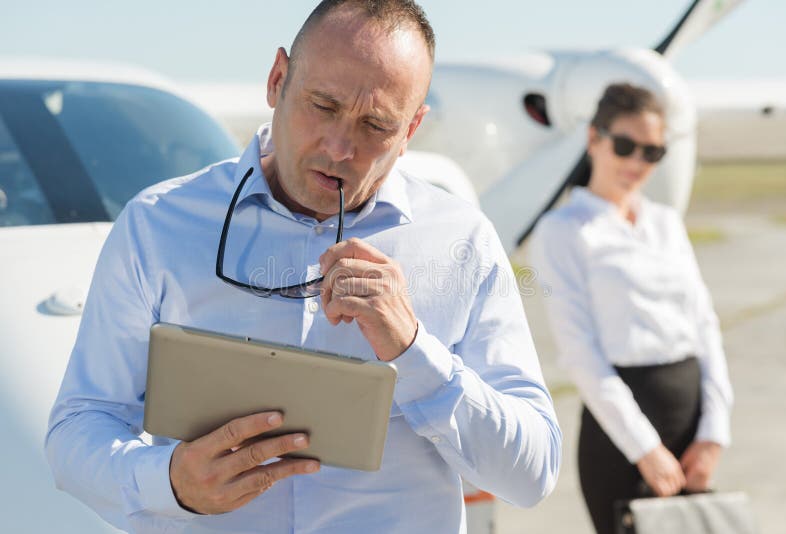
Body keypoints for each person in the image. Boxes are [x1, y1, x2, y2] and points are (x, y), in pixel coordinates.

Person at [45, 1, 561, 532]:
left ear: (411, 129)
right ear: (277, 80)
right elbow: (76, 431)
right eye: (323, 105)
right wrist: (169, 481)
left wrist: (414, 352)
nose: (339, 147)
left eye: (376, 125)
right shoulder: (157, 225)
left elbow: (532, 473)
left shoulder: (463, 242)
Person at [531, 83, 733, 534]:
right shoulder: (562, 231)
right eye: (625, 146)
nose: (637, 162)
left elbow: (705, 326)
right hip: (620, 441)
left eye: (652, 152)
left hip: (692, 434)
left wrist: (714, 432)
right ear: (594, 139)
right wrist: (644, 448)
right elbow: (579, 353)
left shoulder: (666, 222)